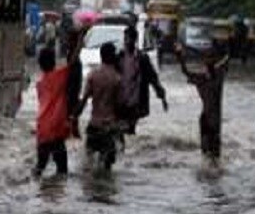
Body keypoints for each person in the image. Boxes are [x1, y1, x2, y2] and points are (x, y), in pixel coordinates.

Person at [175, 43, 229, 161]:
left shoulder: (207, 78)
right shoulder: (213, 78)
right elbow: (224, 60)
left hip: (209, 120)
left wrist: (181, 54)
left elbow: (185, 71)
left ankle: (209, 166)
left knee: (209, 154)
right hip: (210, 120)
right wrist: (180, 55)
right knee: (211, 155)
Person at [76, 42, 123, 170]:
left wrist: (73, 117)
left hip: (94, 125)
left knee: (87, 164)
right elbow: (119, 106)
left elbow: (84, 100)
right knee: (107, 168)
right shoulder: (117, 78)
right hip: (109, 127)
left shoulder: (92, 75)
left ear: (101, 56)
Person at [117, 25, 167, 134]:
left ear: (135, 40)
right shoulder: (119, 57)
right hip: (121, 100)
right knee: (120, 129)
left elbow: (153, 78)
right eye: (125, 39)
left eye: (129, 39)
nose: (126, 42)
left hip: (136, 100)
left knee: (129, 130)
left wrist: (162, 96)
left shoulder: (142, 58)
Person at [34, 46, 74, 176]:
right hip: (55, 130)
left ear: (40, 65)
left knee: (40, 167)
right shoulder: (60, 76)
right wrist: (80, 40)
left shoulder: (40, 84)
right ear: (54, 62)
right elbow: (73, 61)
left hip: (42, 129)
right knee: (62, 171)